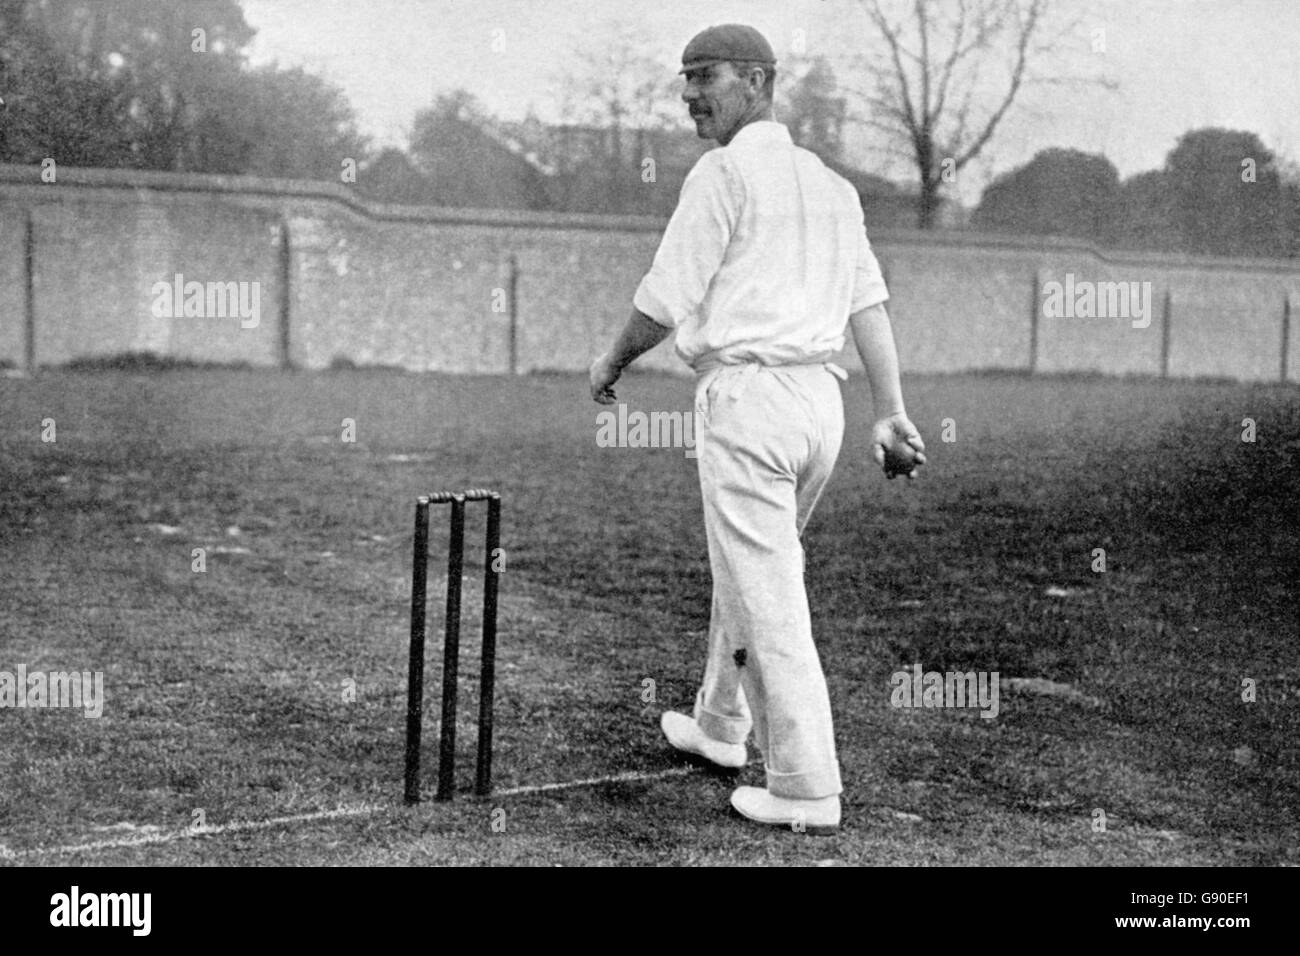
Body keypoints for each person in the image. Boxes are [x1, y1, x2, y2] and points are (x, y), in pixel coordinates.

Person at [589, 23, 925, 833]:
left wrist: (610, 361)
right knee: (748, 570)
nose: (689, 94)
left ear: (758, 81)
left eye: (705, 76)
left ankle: (808, 786)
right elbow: (866, 305)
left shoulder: (723, 173)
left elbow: (666, 297)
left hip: (749, 403)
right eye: (685, 78)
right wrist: (889, 409)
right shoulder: (833, 187)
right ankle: (719, 725)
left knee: (767, 593)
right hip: (821, 410)